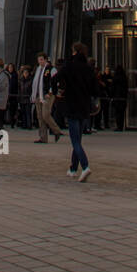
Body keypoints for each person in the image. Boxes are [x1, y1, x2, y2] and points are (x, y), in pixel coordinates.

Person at [56, 42, 99, 182]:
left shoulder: (69, 65)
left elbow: (56, 78)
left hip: (72, 105)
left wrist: (57, 91)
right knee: (78, 139)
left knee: (75, 141)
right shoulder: (88, 68)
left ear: (74, 52)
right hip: (84, 107)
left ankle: (85, 166)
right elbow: (95, 89)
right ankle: (73, 168)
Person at [31, 53, 62, 144]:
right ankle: (43, 137)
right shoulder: (38, 69)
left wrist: (50, 92)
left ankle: (57, 130)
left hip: (47, 95)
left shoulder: (51, 69)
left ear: (45, 60)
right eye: (39, 60)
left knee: (46, 114)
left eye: (41, 59)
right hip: (38, 94)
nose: (40, 61)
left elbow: (55, 82)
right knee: (40, 117)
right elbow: (35, 82)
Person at [110, 64, 128, 131]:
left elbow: (112, 88)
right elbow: (126, 88)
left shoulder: (115, 78)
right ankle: (121, 126)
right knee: (122, 113)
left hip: (116, 97)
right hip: (123, 98)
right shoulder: (124, 77)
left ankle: (118, 126)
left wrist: (111, 95)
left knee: (117, 113)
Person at [5, 62, 19, 127]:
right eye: (9, 67)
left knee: (12, 109)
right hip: (6, 94)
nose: (10, 69)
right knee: (6, 108)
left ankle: (12, 122)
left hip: (13, 94)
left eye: (11, 67)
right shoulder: (6, 75)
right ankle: (6, 120)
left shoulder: (15, 75)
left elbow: (13, 85)